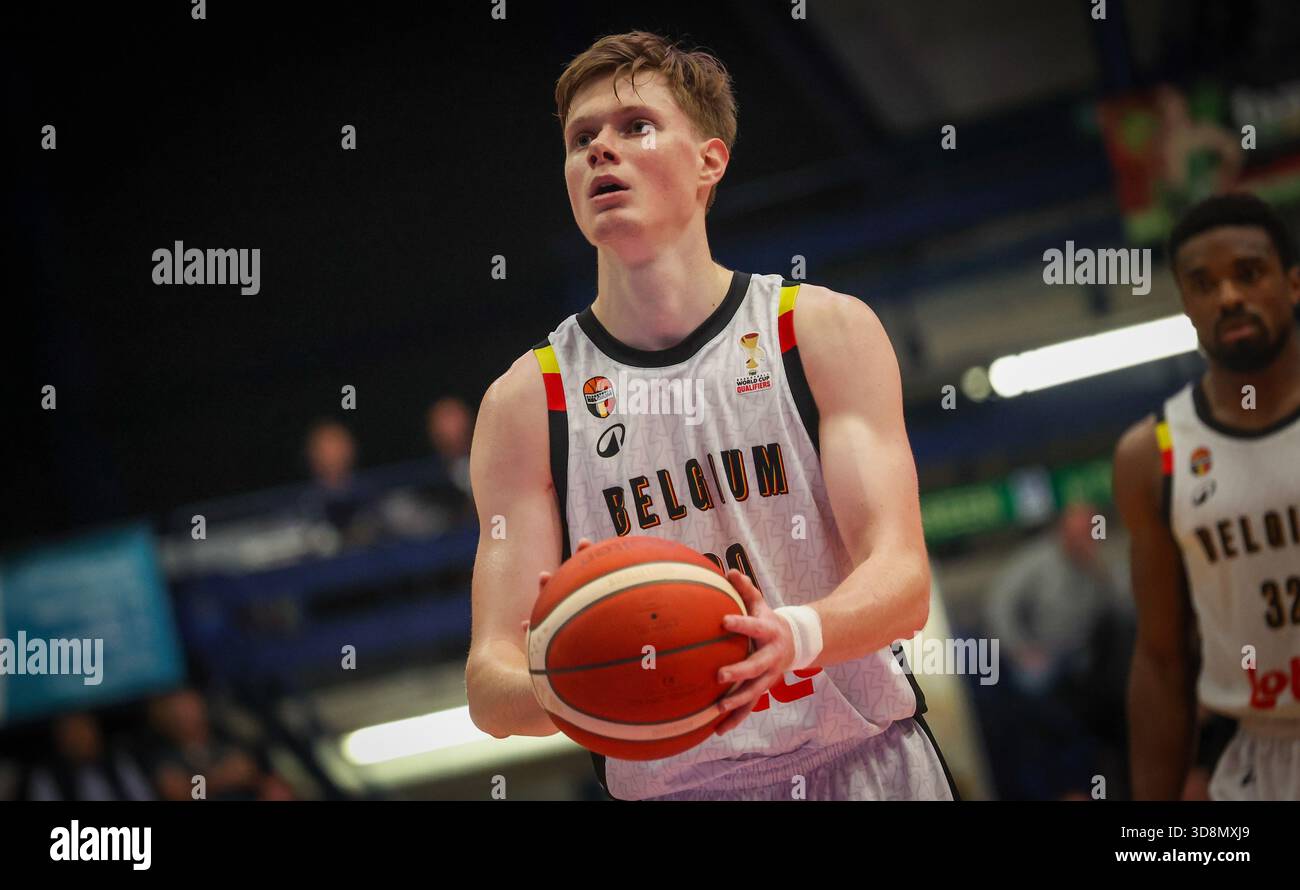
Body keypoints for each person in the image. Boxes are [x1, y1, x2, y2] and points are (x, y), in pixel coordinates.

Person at [465, 31, 955, 800]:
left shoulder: (820, 330)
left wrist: (790, 637)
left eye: (635, 127)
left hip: (866, 768)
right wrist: (584, 678)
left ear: (710, 161)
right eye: (580, 139)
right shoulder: (528, 403)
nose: (601, 151)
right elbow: (489, 684)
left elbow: (903, 580)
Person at [1115, 192, 1300, 800]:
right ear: (1187, 305)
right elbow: (1163, 659)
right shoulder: (1153, 454)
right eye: (1203, 284)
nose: (1228, 297)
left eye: (1248, 274)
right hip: (1261, 756)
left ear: (1292, 284)